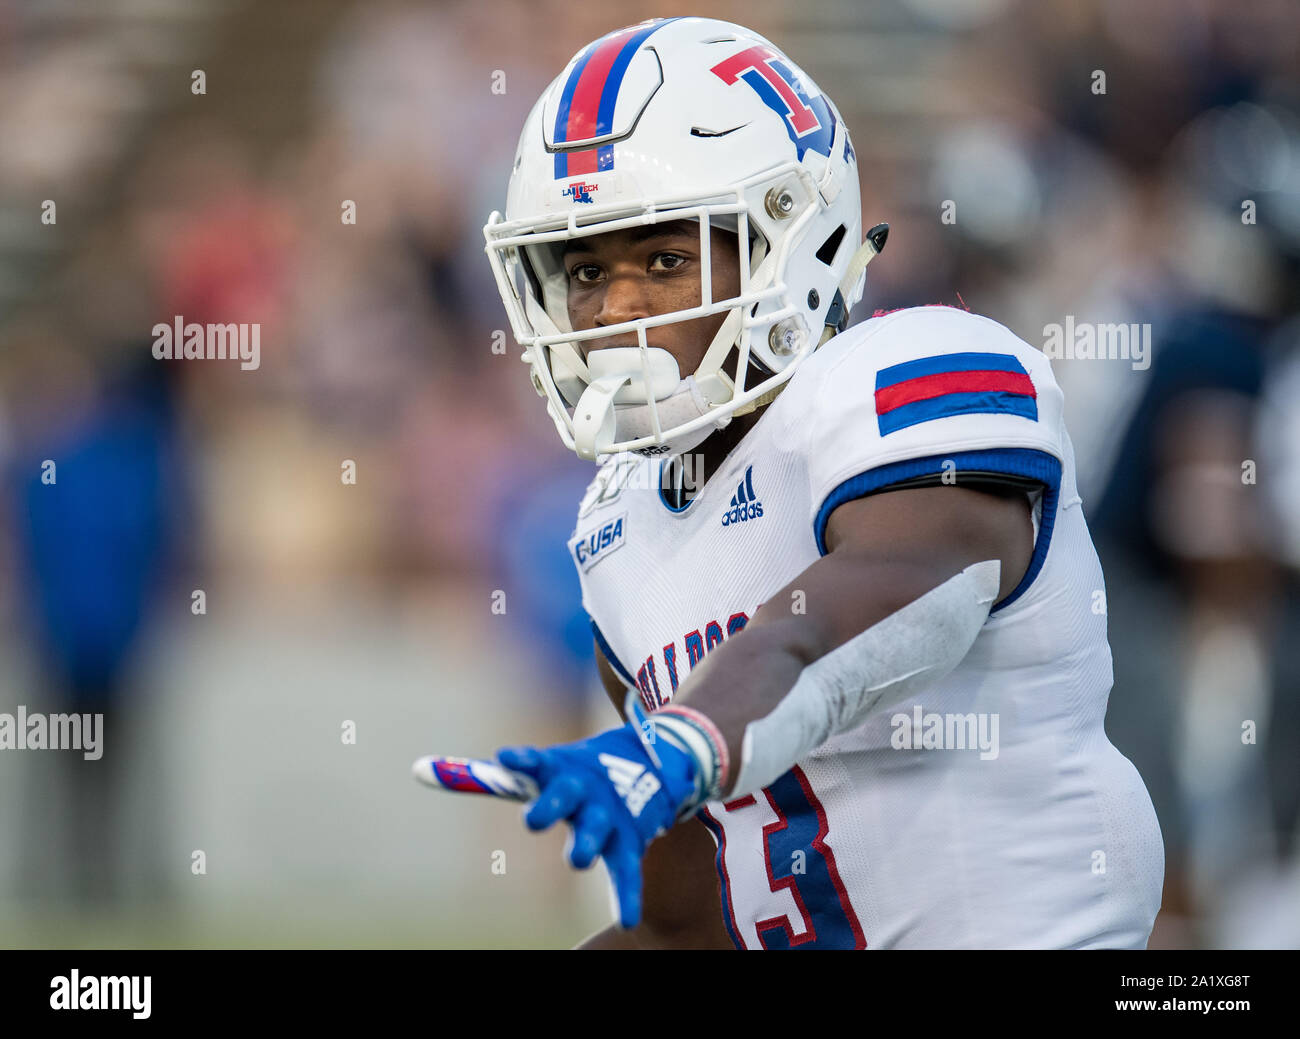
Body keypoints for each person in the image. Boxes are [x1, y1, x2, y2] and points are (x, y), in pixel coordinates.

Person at [434, 15, 1164, 949]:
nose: (615, 307)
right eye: (584, 270)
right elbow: (681, 927)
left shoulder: (917, 363)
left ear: (790, 238)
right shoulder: (619, 530)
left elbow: (884, 608)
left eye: (664, 259)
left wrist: (690, 740)